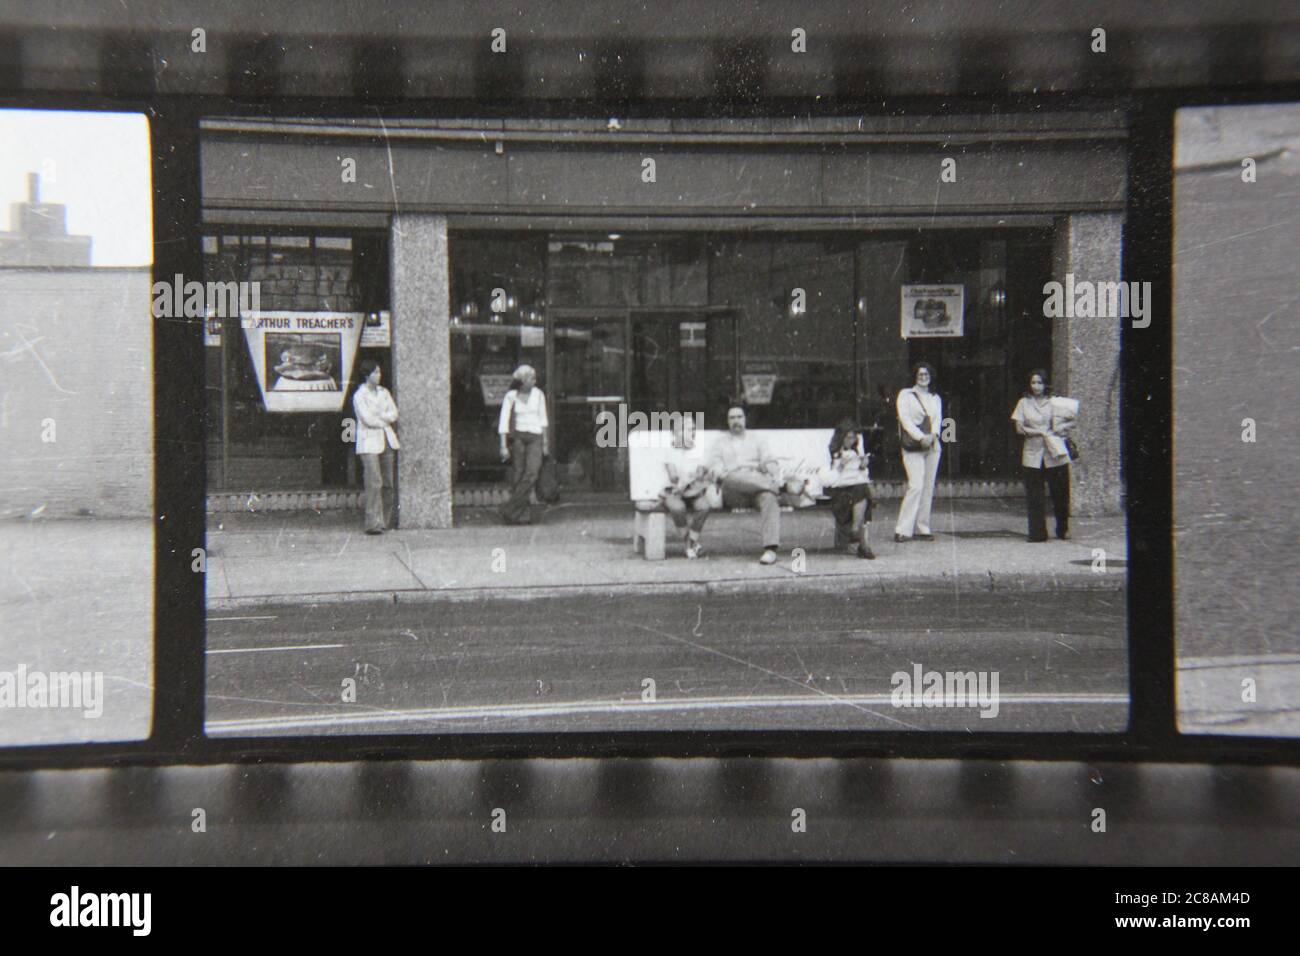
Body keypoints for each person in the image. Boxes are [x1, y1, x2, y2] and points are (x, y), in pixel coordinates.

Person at [707, 405, 783, 565]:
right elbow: (716, 469)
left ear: (745, 419)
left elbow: (769, 460)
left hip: (757, 490)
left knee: (769, 498)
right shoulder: (719, 443)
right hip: (733, 491)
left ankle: (770, 549)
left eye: (739, 417)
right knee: (732, 478)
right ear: (727, 421)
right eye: (732, 418)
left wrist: (773, 472)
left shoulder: (758, 440)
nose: (736, 421)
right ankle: (778, 488)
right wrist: (733, 471)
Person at [1011, 369, 1075, 541]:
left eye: (1040, 382)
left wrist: (1061, 429)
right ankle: (1037, 533)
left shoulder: (1055, 402)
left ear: (1045, 384)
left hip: (1055, 452)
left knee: (1060, 493)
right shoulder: (1024, 403)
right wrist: (1037, 431)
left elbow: (1071, 419)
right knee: (1034, 495)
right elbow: (1019, 426)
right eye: (1033, 382)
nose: (1036, 386)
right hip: (1033, 453)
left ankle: (1063, 528)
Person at [894, 362, 943, 543]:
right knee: (916, 485)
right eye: (920, 374)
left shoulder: (935, 398)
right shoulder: (905, 395)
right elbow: (905, 420)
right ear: (914, 376)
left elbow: (938, 419)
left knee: (928, 487)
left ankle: (923, 528)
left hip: (933, 445)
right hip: (913, 445)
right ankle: (903, 529)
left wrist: (933, 436)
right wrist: (921, 437)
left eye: (927, 374)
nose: (923, 377)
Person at [497, 364, 549, 526]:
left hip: (535, 437)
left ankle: (510, 510)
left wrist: (545, 443)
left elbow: (543, 419)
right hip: (519, 436)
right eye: (530, 378)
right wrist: (503, 445)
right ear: (522, 381)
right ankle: (522, 514)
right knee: (519, 473)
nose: (534, 381)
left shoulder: (538, 394)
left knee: (532, 472)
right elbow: (504, 421)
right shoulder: (511, 396)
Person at [352, 359, 399, 535]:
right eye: (376, 372)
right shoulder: (359, 395)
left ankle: (385, 521)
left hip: (387, 440)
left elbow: (394, 414)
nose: (379, 375)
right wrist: (383, 416)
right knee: (374, 483)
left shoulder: (384, 392)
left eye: (379, 372)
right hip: (369, 443)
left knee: (388, 483)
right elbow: (367, 420)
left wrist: (379, 415)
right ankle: (372, 523)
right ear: (367, 374)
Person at [659, 415, 713, 559]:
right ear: (678, 432)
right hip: (673, 492)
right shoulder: (670, 450)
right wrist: (684, 478)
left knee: (704, 506)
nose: (693, 433)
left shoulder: (698, 450)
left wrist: (701, 474)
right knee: (678, 508)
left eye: (694, 430)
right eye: (690, 430)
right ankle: (688, 543)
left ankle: (691, 542)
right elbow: (673, 476)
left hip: (693, 491)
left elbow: (701, 472)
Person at [826, 419, 876, 559]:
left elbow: (863, 477)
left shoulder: (856, 452)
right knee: (863, 493)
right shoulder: (832, 453)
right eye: (849, 437)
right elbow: (828, 479)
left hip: (856, 490)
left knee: (862, 490)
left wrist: (863, 466)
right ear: (841, 437)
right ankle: (862, 545)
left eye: (854, 437)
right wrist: (839, 466)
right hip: (840, 491)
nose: (852, 440)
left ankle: (856, 533)